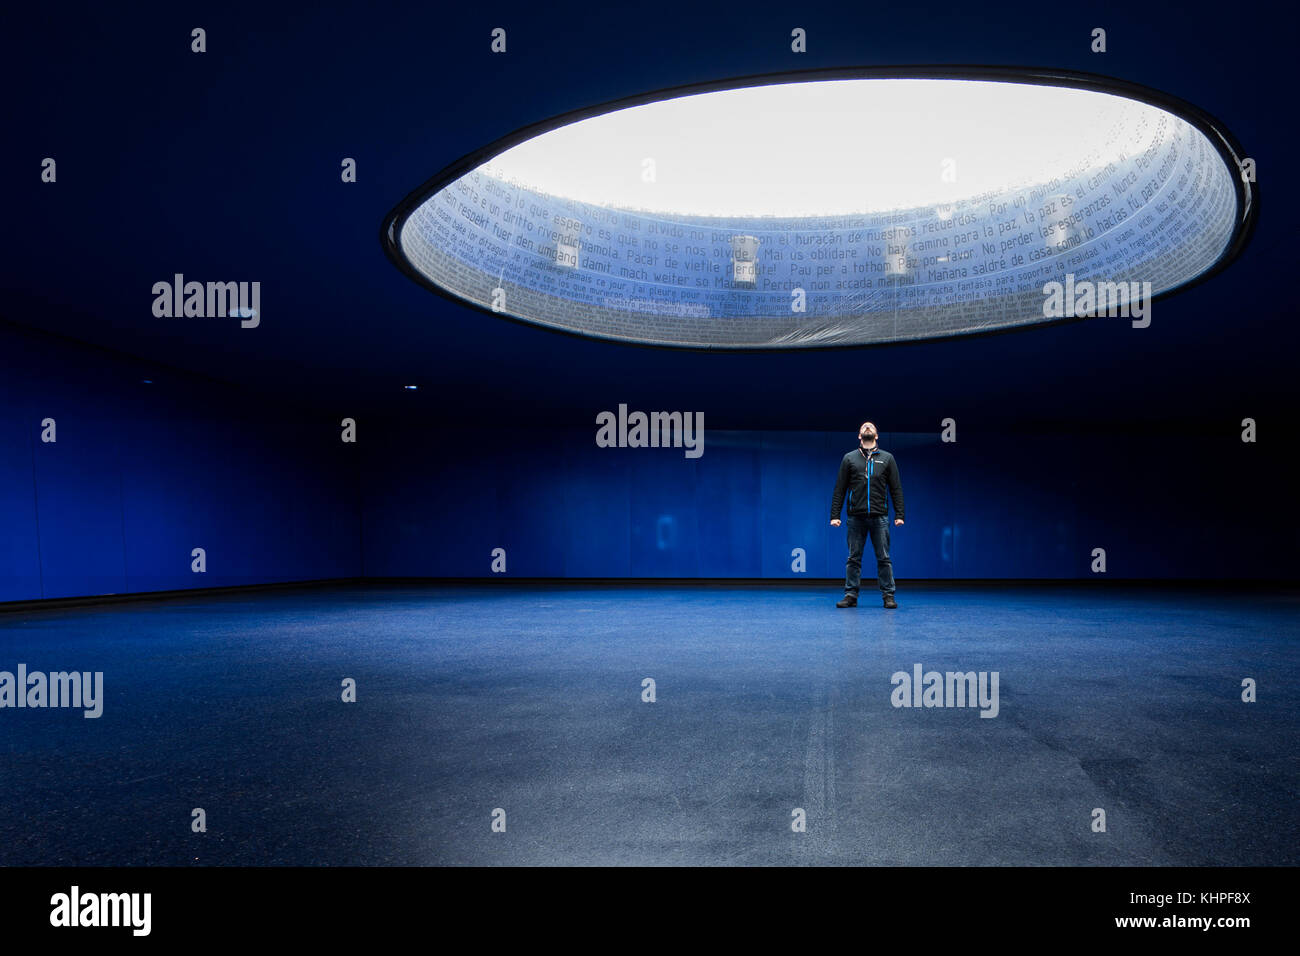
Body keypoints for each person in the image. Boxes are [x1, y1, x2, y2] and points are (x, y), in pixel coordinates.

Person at [829, 422, 905, 608]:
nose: (868, 428)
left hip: (880, 517)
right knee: (853, 558)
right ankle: (851, 595)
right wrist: (834, 515)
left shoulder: (887, 458)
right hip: (855, 517)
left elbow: (896, 488)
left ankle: (888, 596)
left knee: (884, 558)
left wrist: (899, 514)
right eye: (864, 427)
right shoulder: (849, 458)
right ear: (859, 435)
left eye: (871, 427)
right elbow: (840, 489)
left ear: (877, 435)